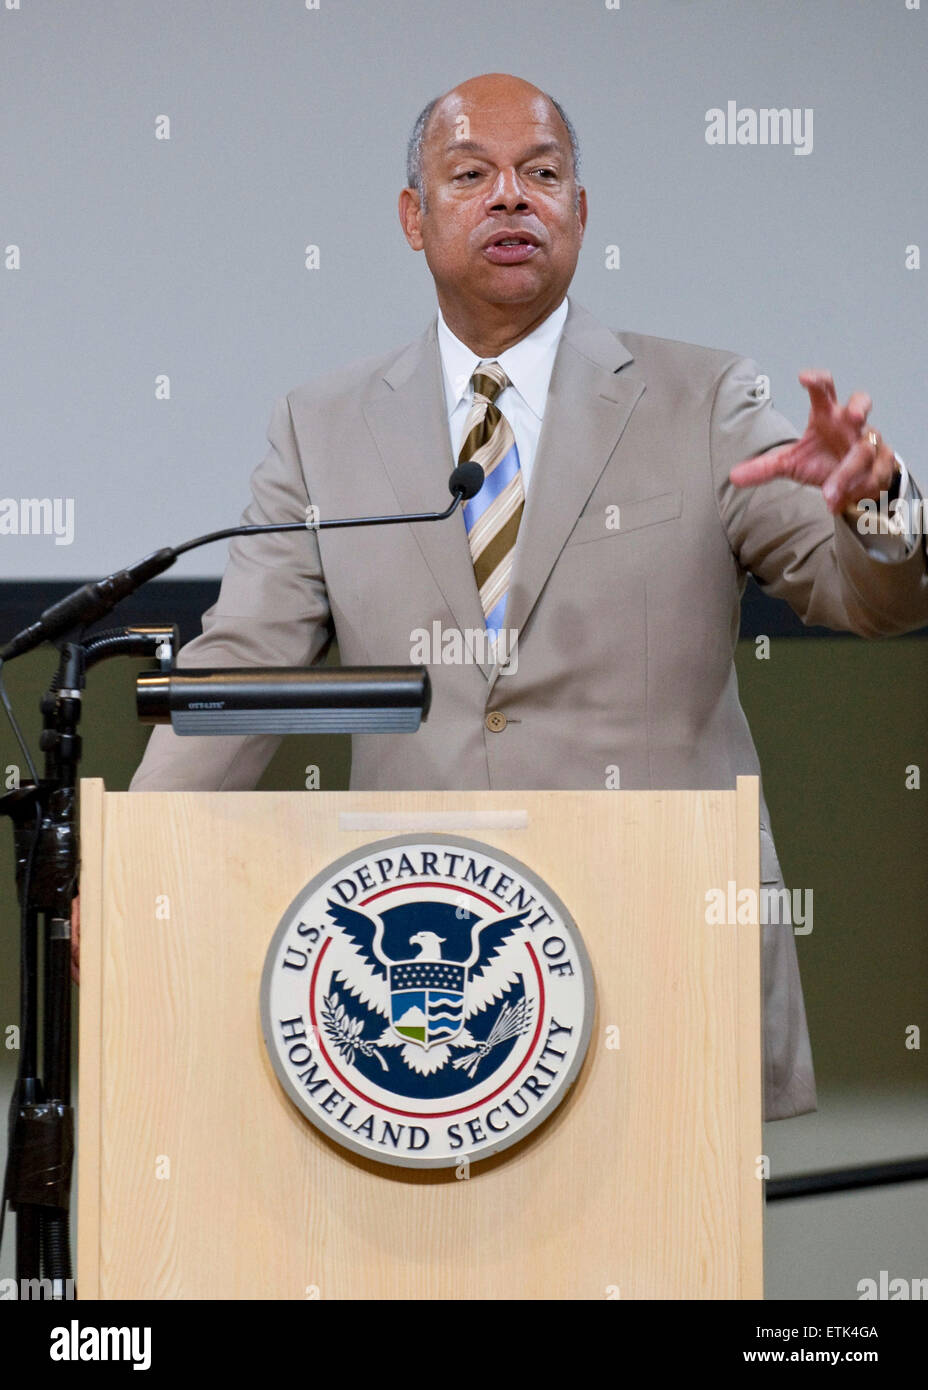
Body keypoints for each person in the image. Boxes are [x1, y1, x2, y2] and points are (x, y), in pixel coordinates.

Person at [121, 73, 928, 1120]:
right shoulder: (322, 428)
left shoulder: (704, 400)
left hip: (664, 950)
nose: (511, 195)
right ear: (414, 218)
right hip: (426, 976)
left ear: (579, 212)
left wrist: (878, 508)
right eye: (471, 175)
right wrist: (133, 864)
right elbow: (244, 671)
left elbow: (866, 598)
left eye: (540, 174)